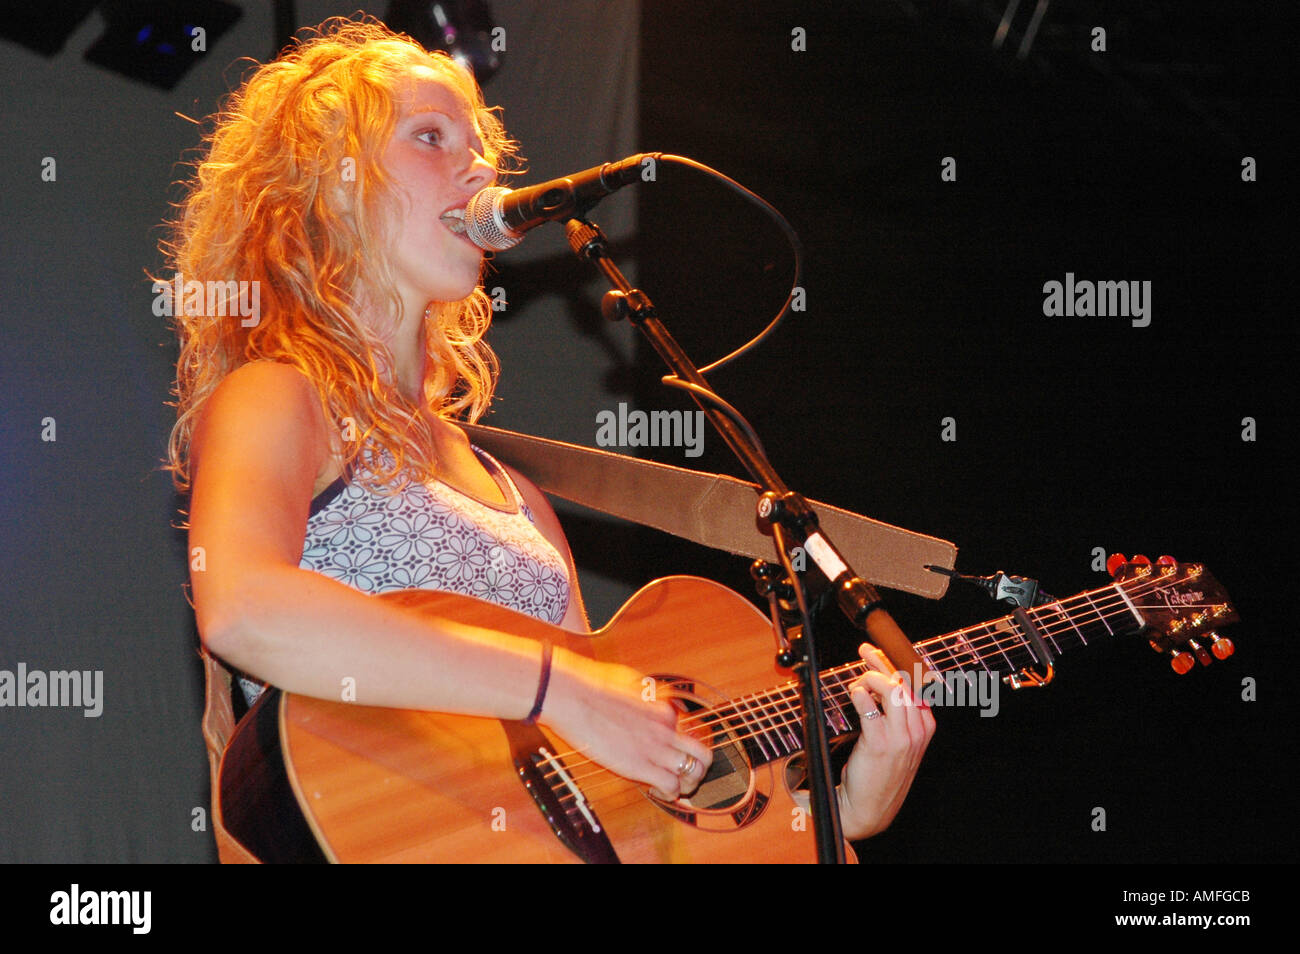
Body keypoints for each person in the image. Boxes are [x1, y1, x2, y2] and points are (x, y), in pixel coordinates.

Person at [163, 17, 933, 858]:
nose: (482, 169)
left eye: (480, 146)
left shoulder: (514, 495)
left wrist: (840, 813)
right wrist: (554, 685)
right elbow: (243, 609)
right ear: (329, 185)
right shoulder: (279, 397)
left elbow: (617, 808)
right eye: (430, 138)